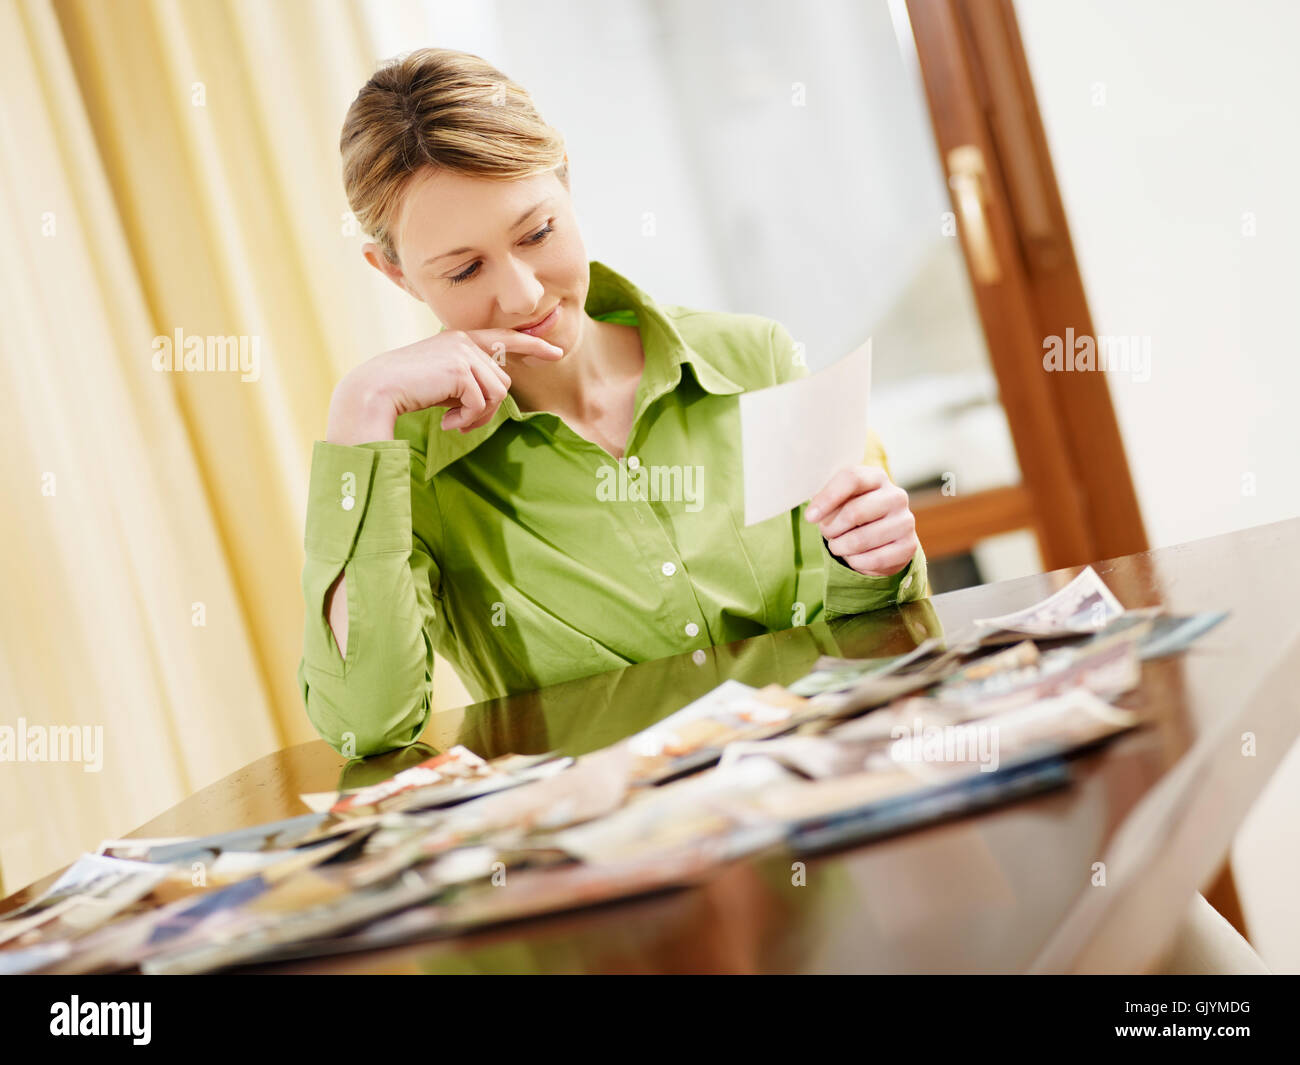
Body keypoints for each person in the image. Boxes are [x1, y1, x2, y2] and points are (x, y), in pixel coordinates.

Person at [298, 47, 927, 759]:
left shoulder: (757, 360)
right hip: (613, 855)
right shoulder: (404, 464)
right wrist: (360, 404)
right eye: (466, 268)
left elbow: (878, 637)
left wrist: (872, 560)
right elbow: (367, 723)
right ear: (396, 275)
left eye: (537, 233)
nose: (525, 294)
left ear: (566, 182)